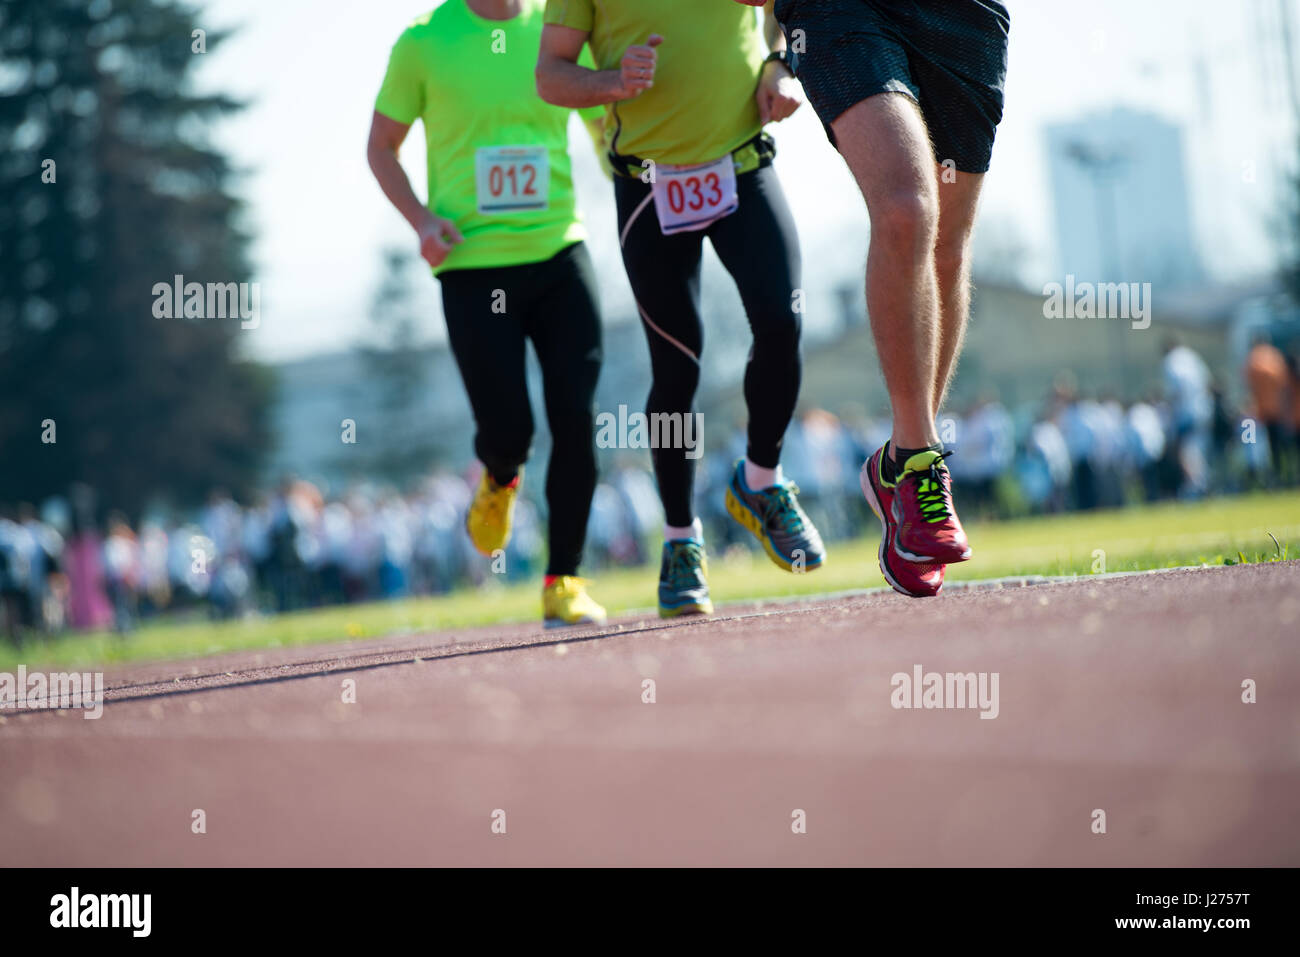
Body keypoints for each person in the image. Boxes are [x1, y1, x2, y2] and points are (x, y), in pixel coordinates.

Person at [537, 0, 826, 618]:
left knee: (781, 321)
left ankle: (761, 480)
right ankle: (680, 542)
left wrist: (780, 62)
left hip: (743, 160)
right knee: (678, 368)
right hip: (648, 183)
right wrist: (612, 82)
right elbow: (551, 74)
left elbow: (787, 8)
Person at [741, 0, 1009, 597]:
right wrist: (776, 54)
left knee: (947, 245)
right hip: (841, 10)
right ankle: (918, 464)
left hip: (963, 16)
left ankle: (898, 466)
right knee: (907, 209)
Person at [368, 0, 607, 627]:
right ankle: (500, 477)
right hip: (473, 267)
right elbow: (381, 148)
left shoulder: (558, 30)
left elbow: (604, 125)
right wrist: (421, 220)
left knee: (576, 417)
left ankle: (565, 579)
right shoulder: (424, 42)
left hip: (559, 251)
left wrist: (646, 182)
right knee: (510, 432)